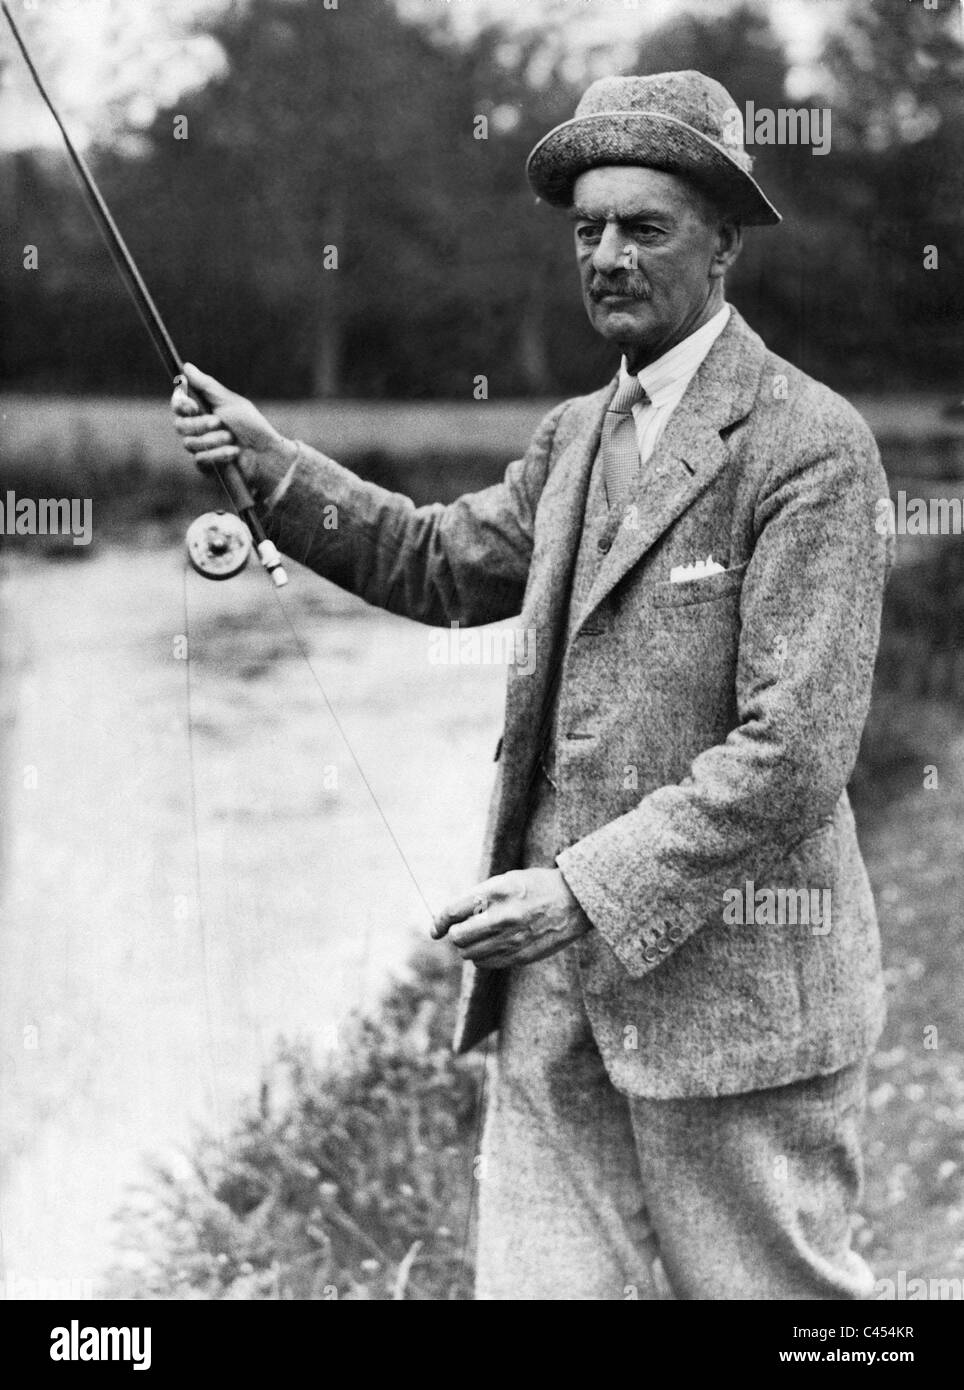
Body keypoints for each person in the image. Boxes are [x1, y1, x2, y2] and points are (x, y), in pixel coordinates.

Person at [172, 71, 894, 1300]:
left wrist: (574, 891)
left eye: (644, 227)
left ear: (724, 242)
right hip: (553, 1015)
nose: (607, 255)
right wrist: (267, 463)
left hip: (740, 1020)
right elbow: (432, 562)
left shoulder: (810, 446)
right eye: (587, 230)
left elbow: (792, 752)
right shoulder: (570, 438)